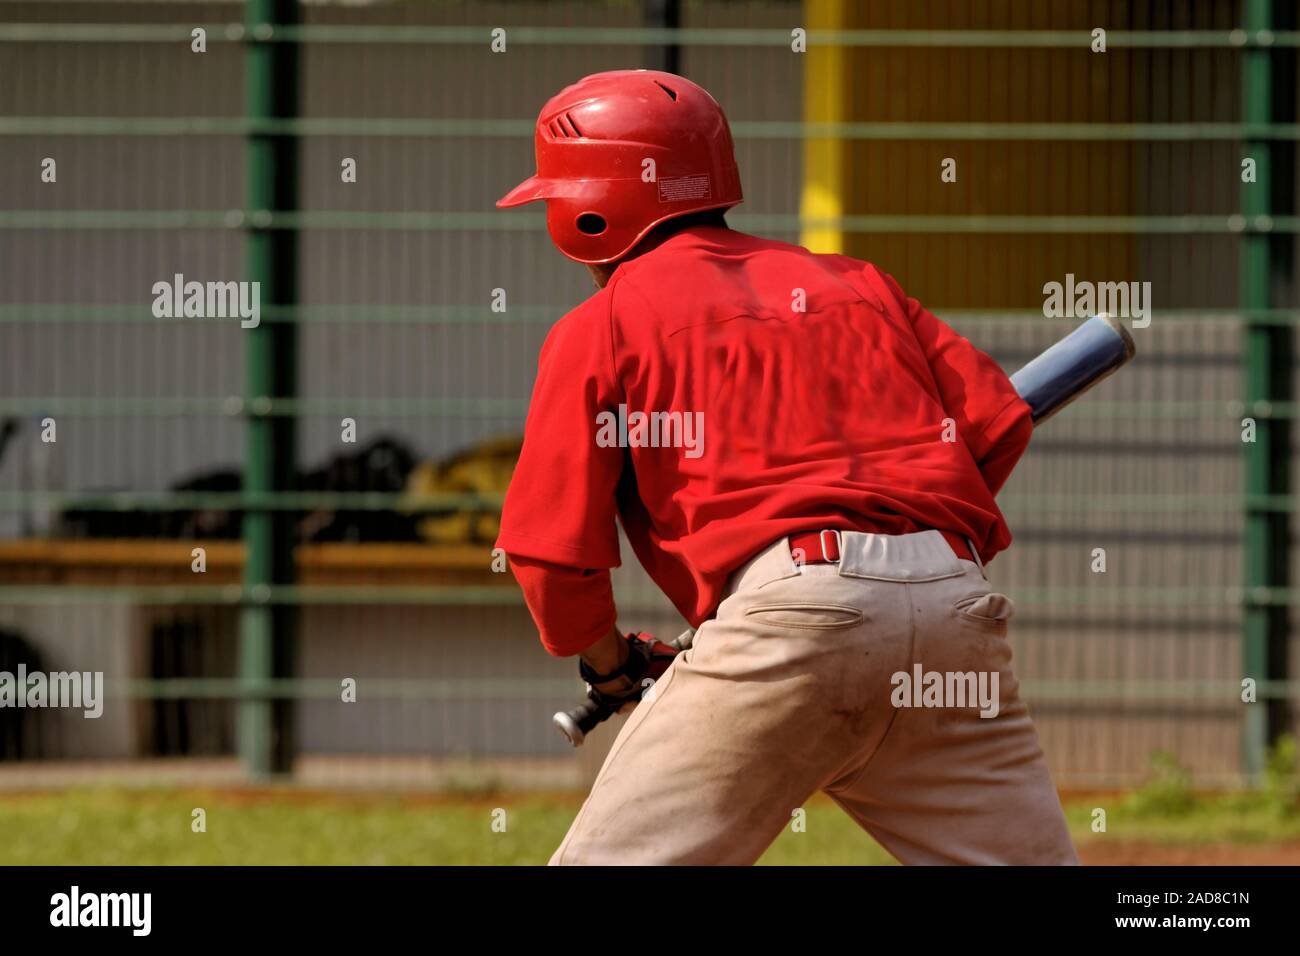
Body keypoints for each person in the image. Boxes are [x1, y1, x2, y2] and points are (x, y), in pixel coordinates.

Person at [495, 69, 1077, 866]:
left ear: (586, 211)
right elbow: (991, 425)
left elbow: (551, 556)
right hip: (955, 610)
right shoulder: (855, 283)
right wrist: (902, 554)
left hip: (792, 616)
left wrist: (613, 664)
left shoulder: (603, 326)